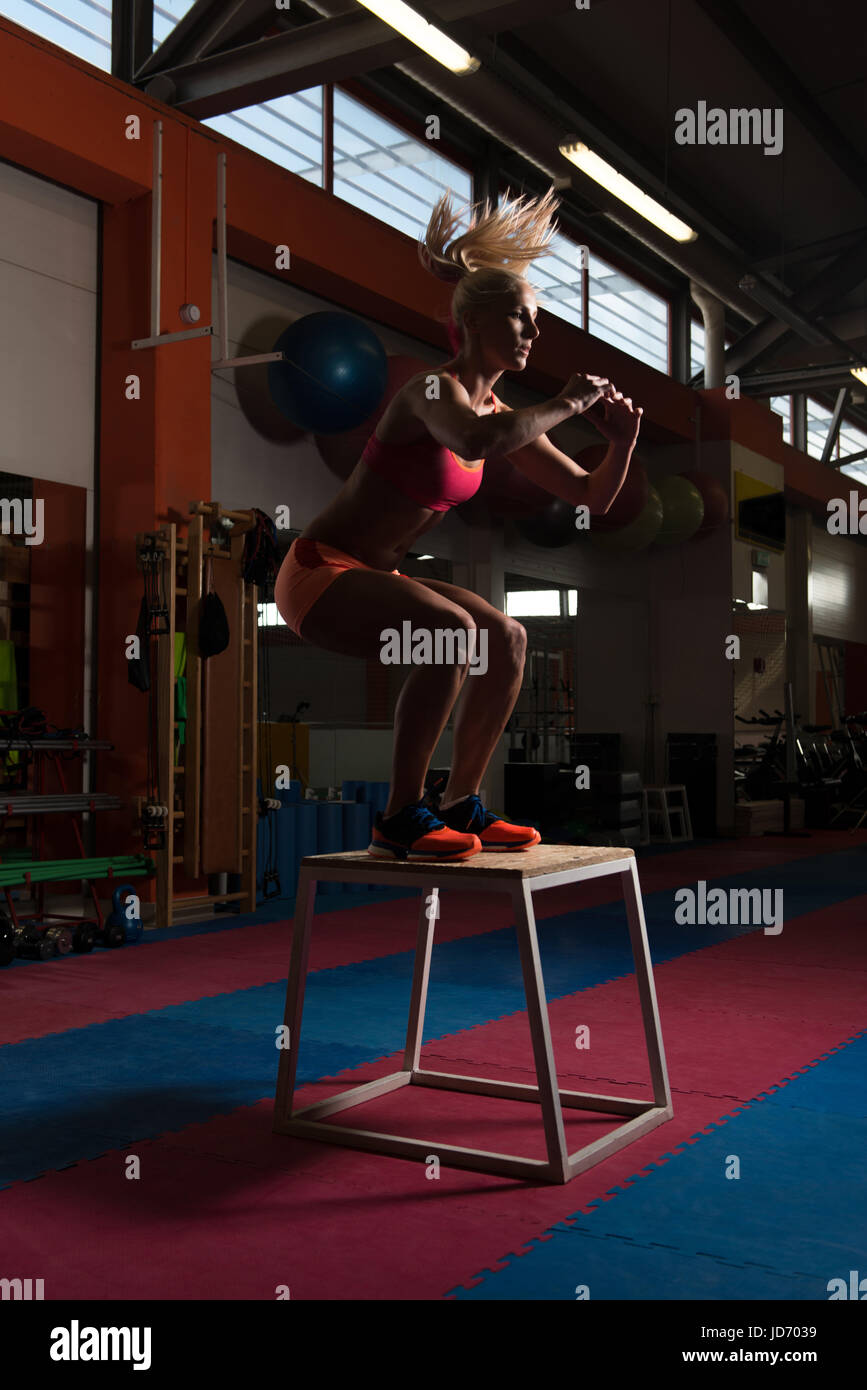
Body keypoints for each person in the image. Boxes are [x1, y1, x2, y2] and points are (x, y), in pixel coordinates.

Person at [274, 187, 643, 862]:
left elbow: (590, 495)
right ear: (471, 326)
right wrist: (565, 401)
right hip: (318, 572)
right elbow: (473, 442)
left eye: (535, 322)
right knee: (451, 631)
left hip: (376, 573)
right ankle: (399, 816)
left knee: (506, 636)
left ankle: (460, 803)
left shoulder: (505, 410)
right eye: (520, 320)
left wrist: (619, 443)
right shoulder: (432, 392)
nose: (533, 334)